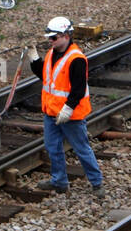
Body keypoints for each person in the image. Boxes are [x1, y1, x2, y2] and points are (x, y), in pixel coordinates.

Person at [29, 17, 103, 196]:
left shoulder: (76, 59)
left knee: (81, 149)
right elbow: (46, 76)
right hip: (51, 112)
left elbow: (78, 89)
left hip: (71, 115)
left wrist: (68, 109)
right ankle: (59, 181)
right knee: (52, 147)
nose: (50, 41)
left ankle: (97, 183)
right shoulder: (52, 53)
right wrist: (34, 59)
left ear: (65, 36)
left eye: (53, 38)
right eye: (50, 38)